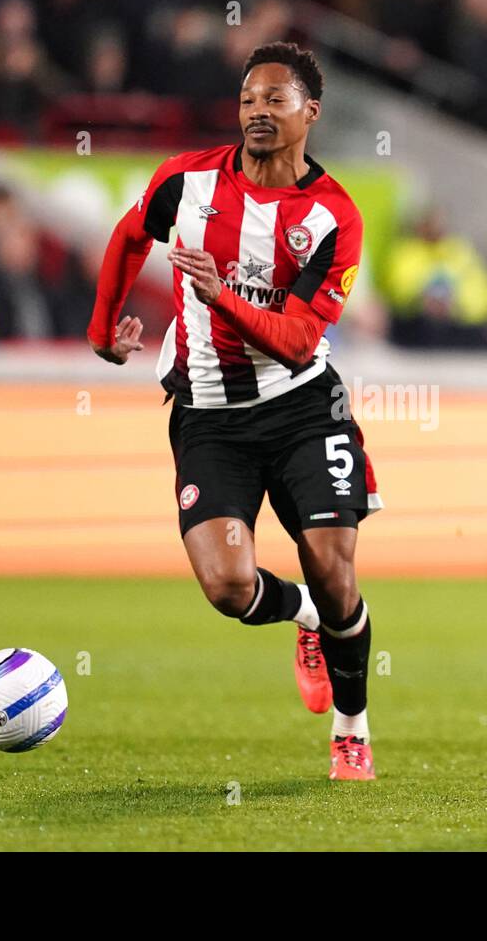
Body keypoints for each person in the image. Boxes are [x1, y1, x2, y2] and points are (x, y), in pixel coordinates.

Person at [87, 42, 381, 781]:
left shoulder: (333, 216)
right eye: (249, 98)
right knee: (226, 586)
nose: (258, 111)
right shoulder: (184, 182)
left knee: (336, 569)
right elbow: (128, 236)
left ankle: (352, 726)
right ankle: (304, 618)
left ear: (310, 113)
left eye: (275, 100)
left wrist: (224, 296)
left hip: (304, 406)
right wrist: (103, 330)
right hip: (209, 414)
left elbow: (298, 341)